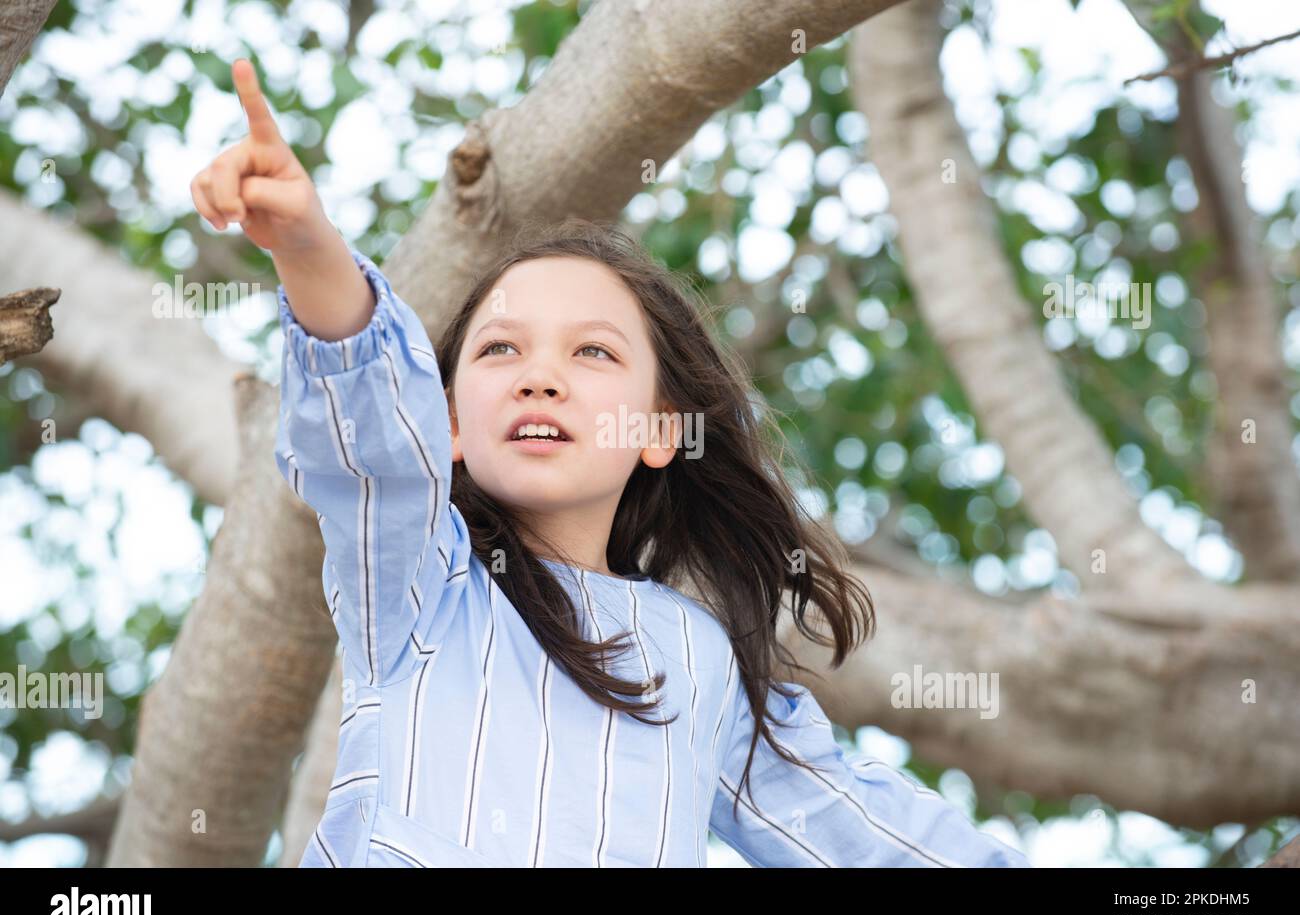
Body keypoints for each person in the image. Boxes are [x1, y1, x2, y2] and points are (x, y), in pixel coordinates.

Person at [190, 57, 1030, 869]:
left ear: (661, 429)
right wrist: (305, 244)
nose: (540, 375)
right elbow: (372, 447)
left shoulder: (702, 663)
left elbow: (865, 833)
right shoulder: (421, 584)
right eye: (500, 350)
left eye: (591, 351)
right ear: (446, 421)